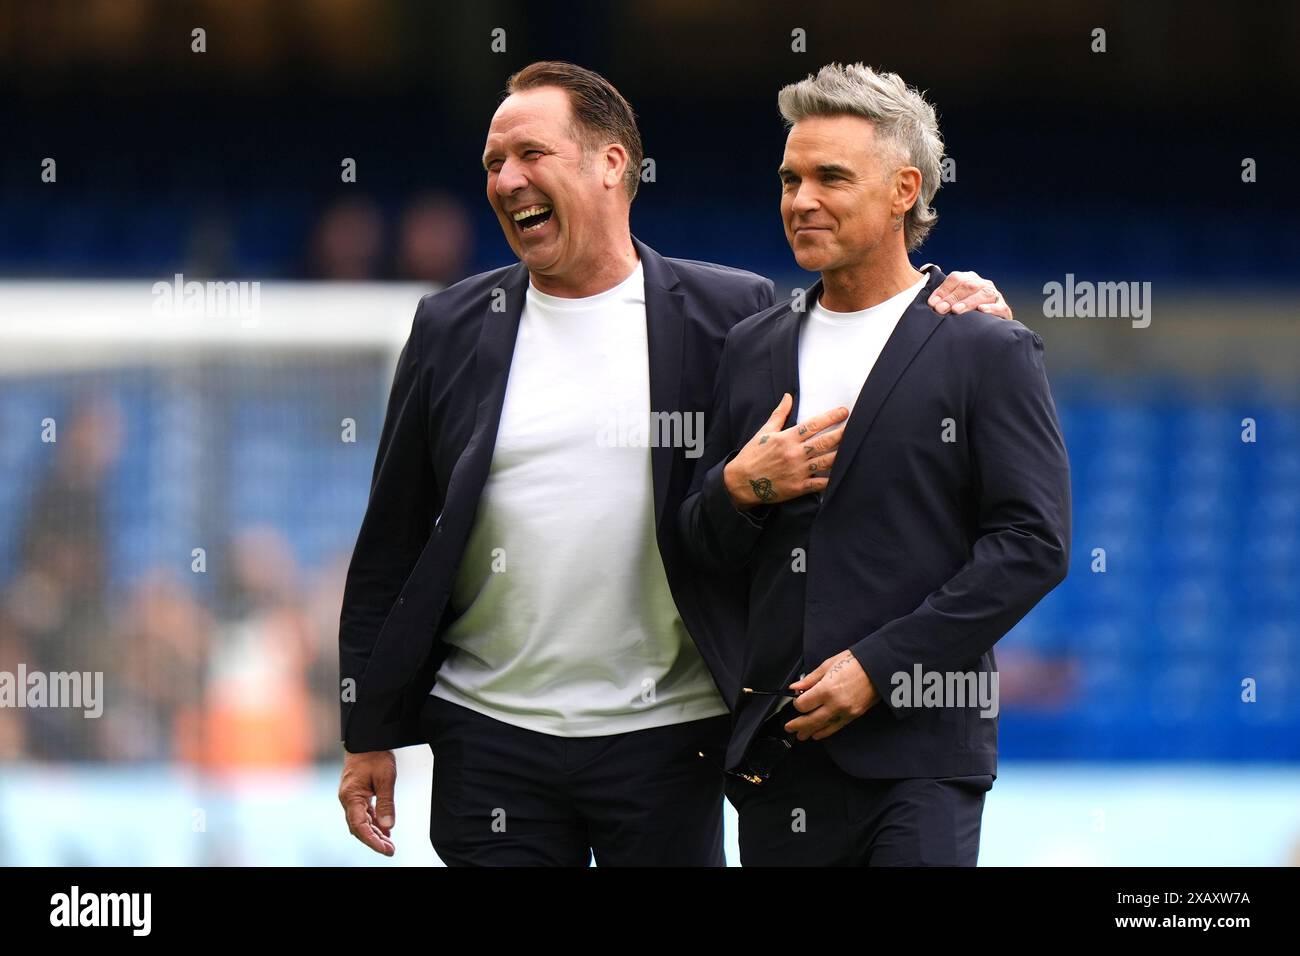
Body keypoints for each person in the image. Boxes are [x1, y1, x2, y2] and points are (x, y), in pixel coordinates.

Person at [338, 61, 1013, 866]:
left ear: (612, 163)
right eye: (492, 163)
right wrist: (367, 732)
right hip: (490, 735)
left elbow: (863, 343)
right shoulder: (451, 324)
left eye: (530, 155)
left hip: (671, 737)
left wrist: (952, 304)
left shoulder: (733, 313)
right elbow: (394, 537)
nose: (506, 179)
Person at [678, 63, 1071, 866]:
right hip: (778, 758)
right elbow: (698, 547)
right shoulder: (751, 348)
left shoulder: (985, 347)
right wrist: (738, 490)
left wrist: (881, 669)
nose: (801, 199)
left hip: (920, 758)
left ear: (903, 190)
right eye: (790, 178)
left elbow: (1033, 544)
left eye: (830, 177)